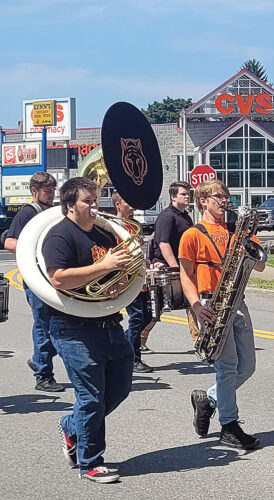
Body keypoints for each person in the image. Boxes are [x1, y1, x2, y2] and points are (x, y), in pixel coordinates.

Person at [44, 177, 134, 483]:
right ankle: (91, 463)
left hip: (109, 323)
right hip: (73, 327)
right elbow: (58, 279)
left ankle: (72, 427)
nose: (95, 205)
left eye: (95, 199)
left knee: (120, 389)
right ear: (70, 205)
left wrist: (120, 281)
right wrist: (103, 267)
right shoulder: (59, 236)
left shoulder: (102, 234)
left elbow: (118, 275)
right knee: (91, 397)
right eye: (88, 201)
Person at [180, 179, 265, 450]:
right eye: (219, 196)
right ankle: (229, 425)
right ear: (203, 201)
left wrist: (247, 247)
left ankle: (209, 399)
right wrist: (195, 305)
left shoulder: (234, 231)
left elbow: (260, 265)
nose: (225, 201)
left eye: (227, 196)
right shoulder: (192, 234)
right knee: (227, 367)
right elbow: (185, 273)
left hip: (237, 300)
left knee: (248, 366)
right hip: (210, 303)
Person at [3, 171, 65, 392]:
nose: (50, 194)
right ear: (34, 191)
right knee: (43, 326)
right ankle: (43, 375)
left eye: (52, 190)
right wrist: (36, 251)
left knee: (61, 324)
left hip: (53, 276)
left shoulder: (54, 211)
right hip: (36, 278)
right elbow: (10, 242)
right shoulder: (28, 212)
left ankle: (40, 359)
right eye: (47, 190)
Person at [147, 181, 193, 349]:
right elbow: (163, 243)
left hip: (184, 266)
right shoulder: (167, 216)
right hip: (166, 267)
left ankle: (199, 340)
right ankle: (139, 340)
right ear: (173, 197)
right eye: (183, 194)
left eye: (188, 194)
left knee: (192, 304)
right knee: (157, 309)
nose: (187, 197)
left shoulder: (185, 216)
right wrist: (175, 268)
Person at [113, 192, 154, 373]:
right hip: (125, 276)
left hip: (138, 275)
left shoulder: (135, 225)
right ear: (117, 204)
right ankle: (134, 357)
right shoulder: (112, 225)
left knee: (147, 315)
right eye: (127, 202)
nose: (132, 205)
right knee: (137, 317)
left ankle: (123, 346)